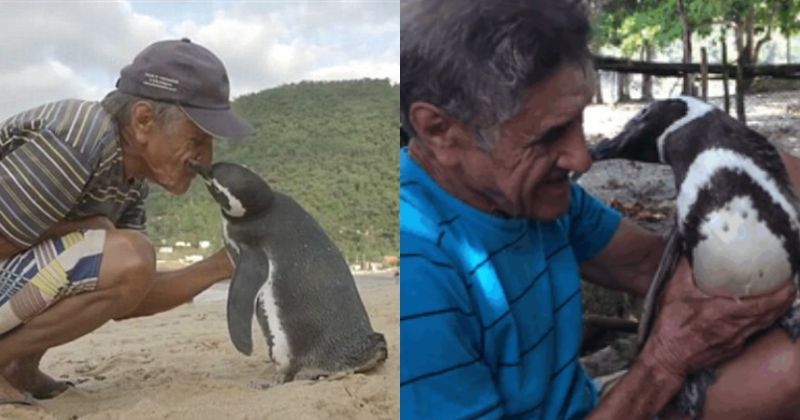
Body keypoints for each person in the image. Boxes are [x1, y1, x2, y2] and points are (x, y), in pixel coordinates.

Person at [399, 1, 800, 418]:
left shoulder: (530, 196)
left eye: (579, 121)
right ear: (439, 131)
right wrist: (664, 362)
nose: (581, 158)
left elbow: (649, 268)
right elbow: (668, 332)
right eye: (550, 135)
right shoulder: (418, 274)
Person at [0, 38, 253, 405]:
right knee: (117, 247)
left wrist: (221, 265)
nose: (206, 157)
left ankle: (18, 370)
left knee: (123, 254)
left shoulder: (129, 183)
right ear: (144, 120)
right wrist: (90, 230)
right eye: (197, 139)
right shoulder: (77, 138)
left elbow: (127, 291)